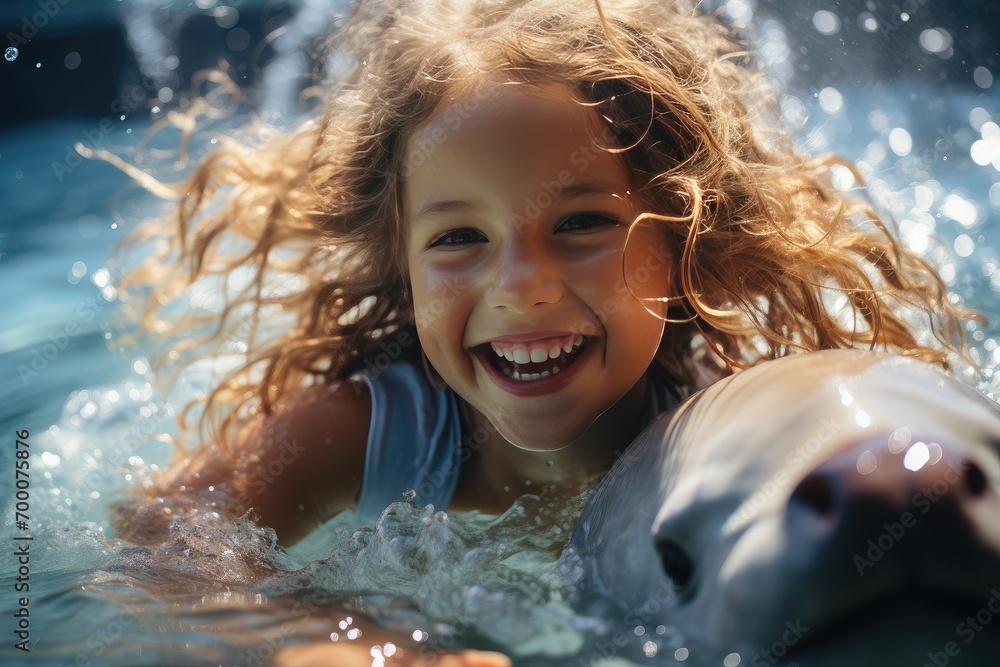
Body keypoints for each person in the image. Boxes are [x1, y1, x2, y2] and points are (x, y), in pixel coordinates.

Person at [111, 0, 973, 550]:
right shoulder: (376, 433)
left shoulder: (715, 435)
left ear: (682, 238)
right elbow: (162, 533)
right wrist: (311, 636)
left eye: (582, 223)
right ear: (401, 269)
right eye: (459, 239)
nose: (522, 283)